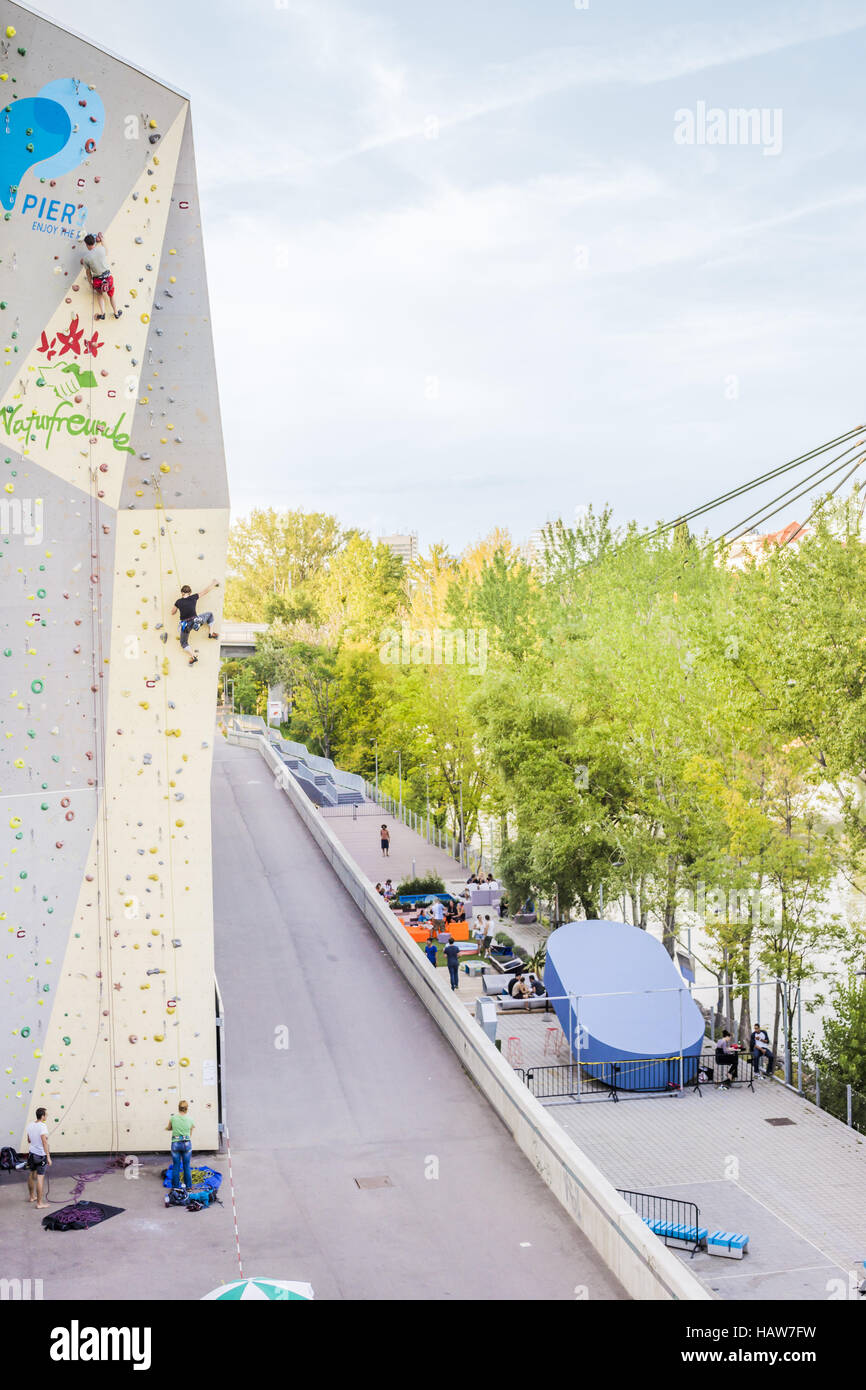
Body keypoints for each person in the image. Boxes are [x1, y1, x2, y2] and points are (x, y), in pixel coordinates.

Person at [171, 580, 220, 665]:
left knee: (183, 643)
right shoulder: (193, 597)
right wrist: (214, 583)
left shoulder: (178, 602)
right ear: (189, 592)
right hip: (194, 620)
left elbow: (172, 612)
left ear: (182, 592)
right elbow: (205, 591)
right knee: (210, 614)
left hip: (185, 625)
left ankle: (193, 656)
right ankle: (211, 633)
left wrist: (178, 607)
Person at [80, 231, 121, 320]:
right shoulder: (101, 249)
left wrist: (90, 283)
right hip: (108, 278)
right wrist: (102, 239)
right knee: (111, 295)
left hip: (98, 280)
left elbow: (88, 273)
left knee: (100, 294)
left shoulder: (86, 259)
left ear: (86, 245)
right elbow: (106, 250)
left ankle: (102, 313)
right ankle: (116, 312)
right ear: (94, 242)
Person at [25, 1106, 51, 1209]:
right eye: (46, 1114)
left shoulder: (30, 1125)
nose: (47, 1116)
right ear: (42, 1116)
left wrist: (38, 1139)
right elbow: (44, 1142)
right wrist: (48, 1157)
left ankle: (32, 1197)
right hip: (41, 1156)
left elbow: (29, 1140)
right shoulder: (43, 1126)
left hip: (31, 1154)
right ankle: (39, 1203)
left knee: (31, 1175)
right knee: (40, 1178)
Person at [166, 1099, 194, 1189]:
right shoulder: (190, 1119)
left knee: (176, 1166)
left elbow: (169, 1128)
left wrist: (170, 1128)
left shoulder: (173, 1118)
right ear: (187, 1109)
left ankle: (175, 1188)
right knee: (186, 1166)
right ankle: (188, 1187)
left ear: (178, 1108)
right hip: (186, 1143)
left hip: (175, 1144)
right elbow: (191, 1130)